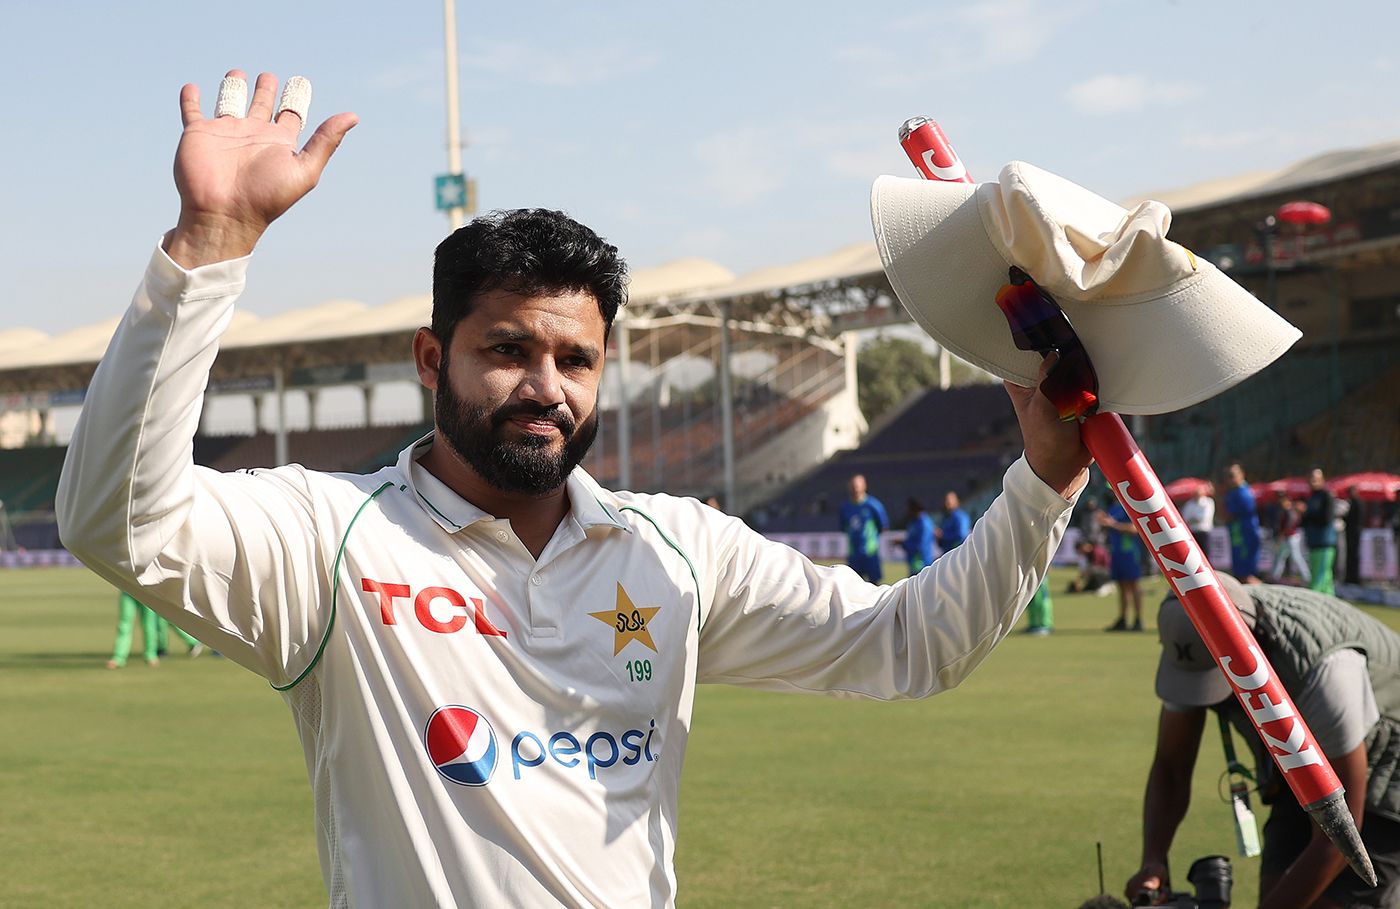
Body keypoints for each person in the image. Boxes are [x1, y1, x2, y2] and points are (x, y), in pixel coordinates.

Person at [55, 70, 1090, 908]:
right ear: (432, 358)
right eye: (507, 350)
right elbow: (116, 519)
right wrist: (210, 246)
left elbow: (909, 645)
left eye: (575, 360)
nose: (545, 388)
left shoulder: (675, 550)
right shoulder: (331, 541)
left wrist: (1043, 481)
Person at [1125, 575, 1400, 909]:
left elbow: (1340, 837)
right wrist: (1153, 861)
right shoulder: (1190, 637)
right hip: (1298, 761)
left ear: (1253, 645)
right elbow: (1172, 767)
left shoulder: (1328, 674)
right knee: (1277, 892)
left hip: (1384, 765)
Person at [1098, 499, 1144, 631]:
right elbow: (1109, 528)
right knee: (1121, 586)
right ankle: (1123, 618)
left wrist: (1112, 524)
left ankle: (1138, 620)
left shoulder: (1130, 507)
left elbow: (1134, 529)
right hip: (1116, 552)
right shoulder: (1113, 507)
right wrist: (1103, 522)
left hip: (1130, 552)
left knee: (1133, 585)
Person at [839, 473, 889, 582]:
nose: (855, 489)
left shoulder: (873, 505)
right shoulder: (845, 507)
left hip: (870, 553)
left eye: (857, 485)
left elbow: (883, 526)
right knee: (853, 585)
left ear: (864, 486)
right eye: (853, 486)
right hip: (854, 554)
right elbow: (843, 527)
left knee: (874, 585)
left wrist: (871, 540)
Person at [1222, 462, 1261, 583]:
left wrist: (1216, 496)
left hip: (1245, 536)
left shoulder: (1243, 494)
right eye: (1227, 477)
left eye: (1232, 476)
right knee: (1240, 574)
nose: (1230, 480)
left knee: (1246, 576)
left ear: (1242, 474)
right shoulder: (1233, 493)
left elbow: (1227, 516)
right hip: (1238, 536)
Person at [1302, 468, 1338, 595]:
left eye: (1316, 479)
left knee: (1319, 579)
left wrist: (1307, 512)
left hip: (1325, 543)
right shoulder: (1310, 497)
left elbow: (1326, 519)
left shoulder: (1327, 496)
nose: (1313, 482)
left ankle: (1312, 601)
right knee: (1325, 579)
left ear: (1322, 480)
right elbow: (1306, 521)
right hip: (1313, 543)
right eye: (1311, 479)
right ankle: (1330, 601)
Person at [1268, 495, 1310, 585]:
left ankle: (1306, 576)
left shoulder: (1290, 512)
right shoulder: (1285, 512)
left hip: (1291, 537)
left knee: (1295, 557)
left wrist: (1280, 537)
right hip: (1287, 537)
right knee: (1281, 557)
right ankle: (1274, 576)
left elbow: (1288, 526)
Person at [1178, 481, 1215, 555]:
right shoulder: (1189, 504)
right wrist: (1194, 519)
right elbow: (1185, 518)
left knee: (1205, 553)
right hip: (1192, 532)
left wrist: (1192, 519)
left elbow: (1203, 517)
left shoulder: (1208, 502)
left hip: (1204, 532)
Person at [900, 496, 935, 575]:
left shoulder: (924, 524)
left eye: (909, 508)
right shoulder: (913, 522)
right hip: (914, 562)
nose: (907, 511)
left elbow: (920, 545)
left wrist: (904, 544)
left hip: (921, 563)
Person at [935, 490, 971, 556]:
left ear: (956, 501)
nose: (947, 502)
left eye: (950, 499)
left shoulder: (961, 517)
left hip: (958, 555)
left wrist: (943, 535)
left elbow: (961, 535)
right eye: (946, 500)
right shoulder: (946, 518)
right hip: (948, 555)